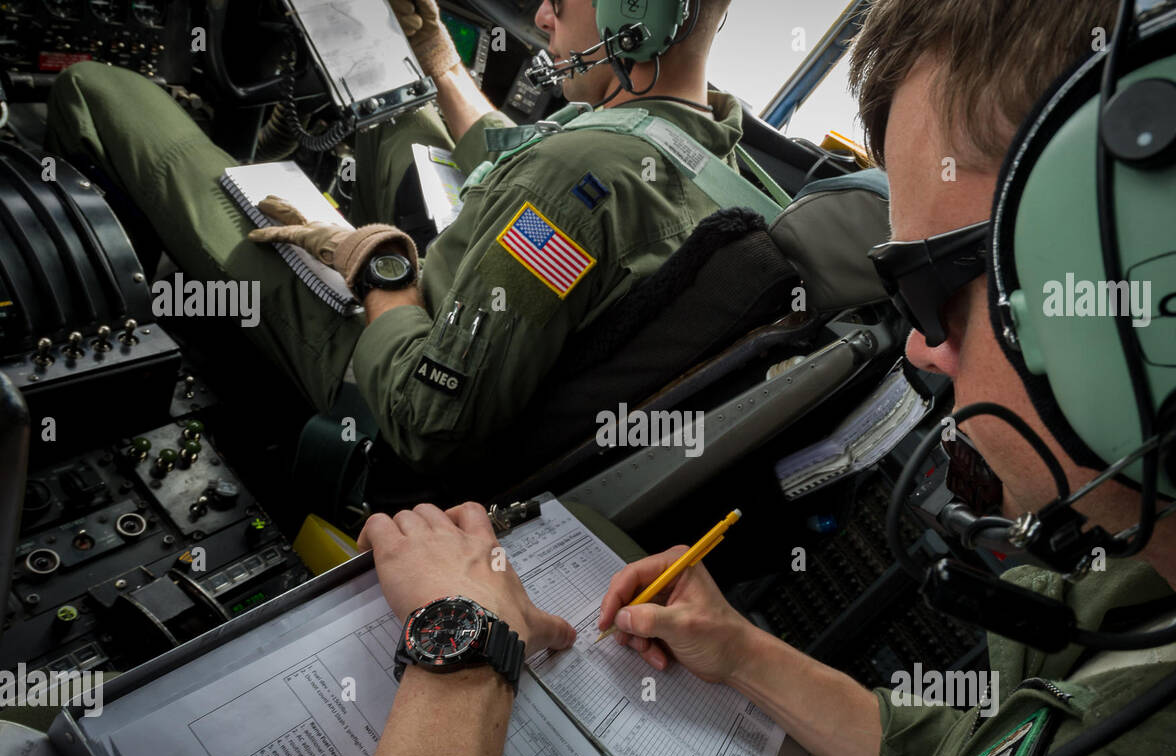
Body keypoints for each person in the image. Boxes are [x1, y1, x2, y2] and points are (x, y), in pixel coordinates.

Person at [333, 0, 1176, 756]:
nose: (923, 352)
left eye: (936, 286)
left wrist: (459, 652)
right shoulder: (1153, 582)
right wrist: (741, 652)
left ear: (1175, 310)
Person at [43, 0, 739, 475]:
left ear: (634, 15)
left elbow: (427, 416)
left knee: (99, 89)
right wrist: (437, 58)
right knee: (387, 112)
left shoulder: (569, 186)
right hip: (469, 313)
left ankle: (91, 332)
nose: (542, 15)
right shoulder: (712, 151)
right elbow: (523, 156)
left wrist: (372, 264)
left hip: (385, 376)